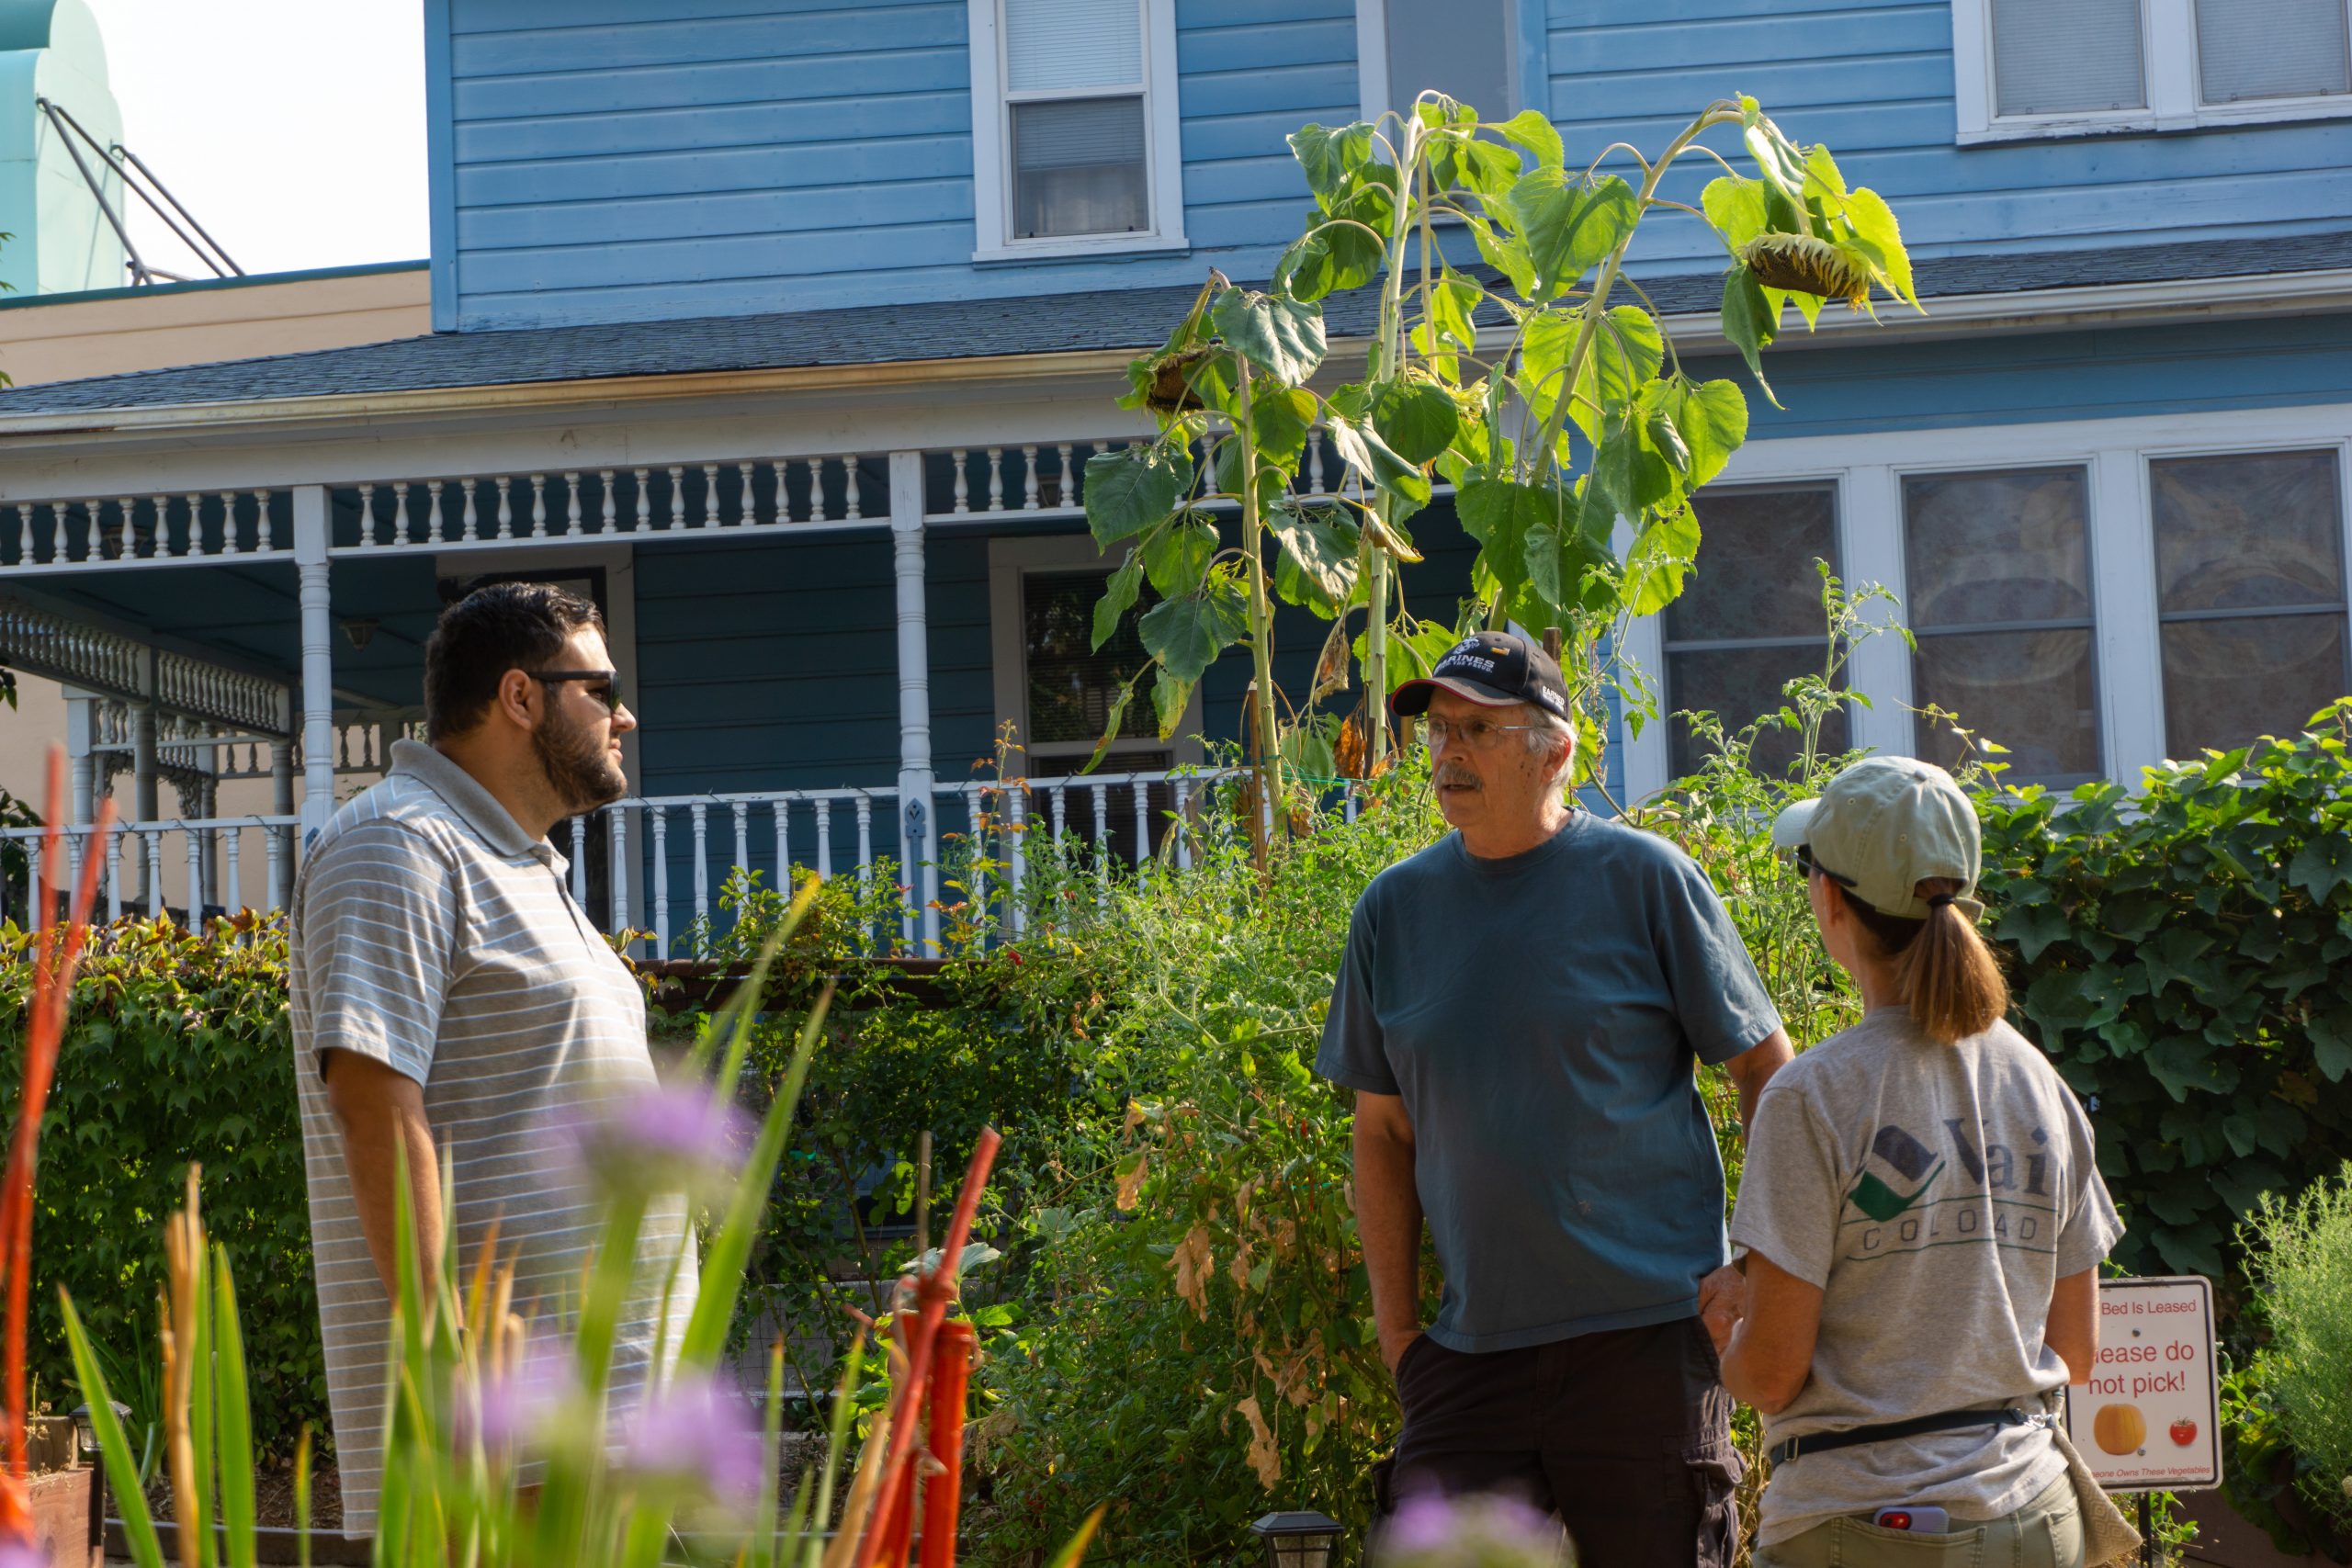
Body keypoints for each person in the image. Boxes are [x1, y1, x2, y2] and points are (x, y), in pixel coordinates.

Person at [1317, 630, 1794, 1568]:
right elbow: (1381, 1130)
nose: (1448, 753)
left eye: (1478, 731)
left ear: (1556, 750)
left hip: (1645, 1345)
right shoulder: (1393, 910)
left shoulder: (1645, 880)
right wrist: (1399, 1335)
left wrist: (1755, 1262)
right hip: (1466, 1354)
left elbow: (1769, 1074)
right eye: (1438, 731)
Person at [289, 582, 695, 1531]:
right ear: (521, 697)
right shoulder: (398, 845)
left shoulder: (520, 863)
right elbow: (376, 1109)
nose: (624, 714)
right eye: (600, 689)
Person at [1720, 755, 2123, 1568]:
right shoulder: (2040, 1083)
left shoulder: (1812, 1095)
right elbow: (2075, 1351)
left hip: (1858, 1527)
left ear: (1830, 897)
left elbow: (1768, 1377)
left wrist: (1725, 1323)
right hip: (2037, 1517)